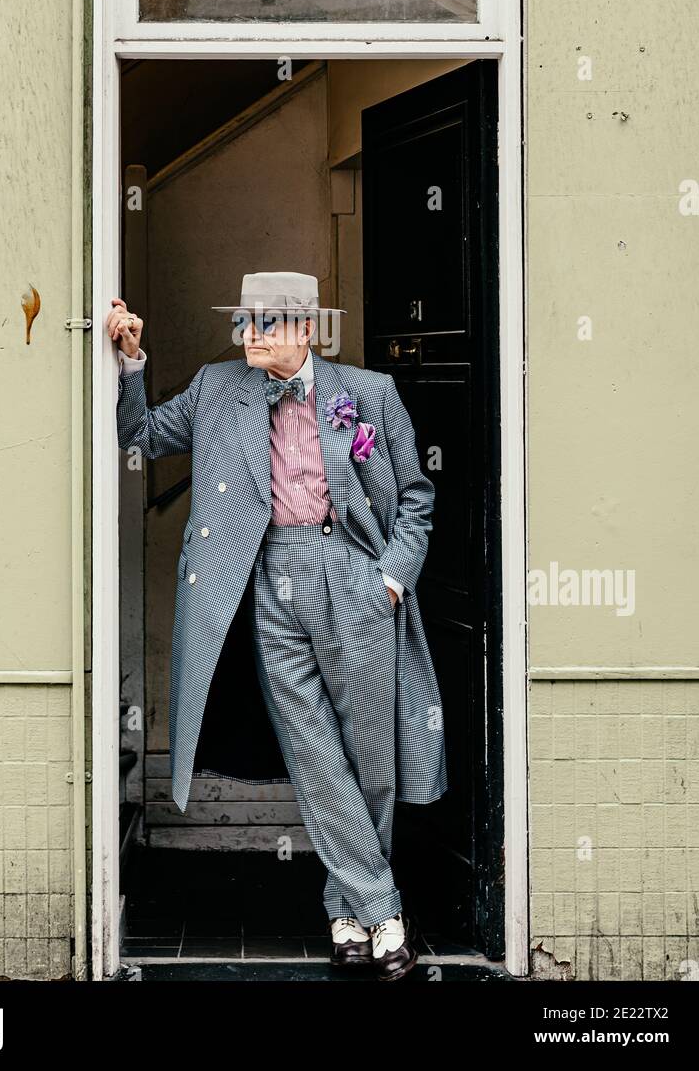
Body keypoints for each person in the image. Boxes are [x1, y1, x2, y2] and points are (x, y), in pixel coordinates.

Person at [109, 271, 447, 981]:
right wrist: (130, 360)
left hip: (354, 573)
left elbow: (415, 496)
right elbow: (137, 433)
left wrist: (390, 578)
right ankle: (383, 908)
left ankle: (347, 908)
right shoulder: (214, 387)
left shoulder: (368, 393)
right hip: (269, 578)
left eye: (264, 323)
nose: (248, 335)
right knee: (313, 748)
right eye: (243, 322)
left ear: (304, 330)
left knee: (372, 757)